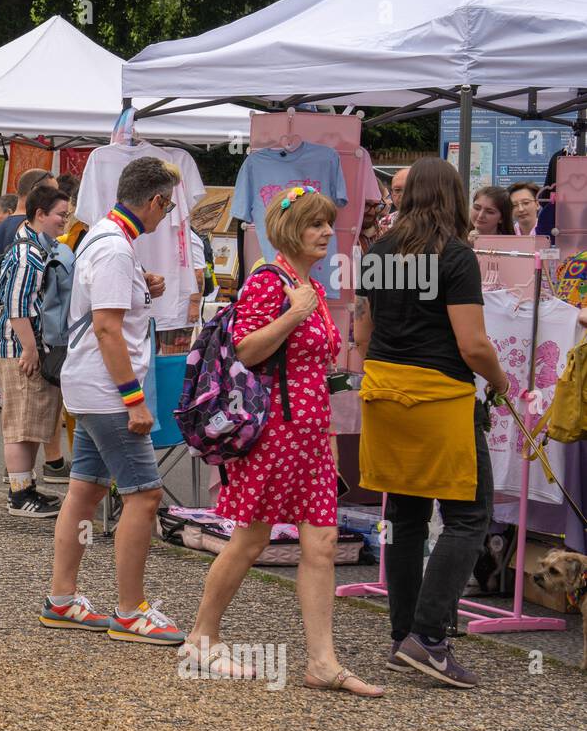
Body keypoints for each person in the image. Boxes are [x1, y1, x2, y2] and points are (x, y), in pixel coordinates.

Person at [183, 184, 385, 697]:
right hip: (274, 433)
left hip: (314, 434)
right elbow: (245, 351)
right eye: (315, 224)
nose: (326, 233)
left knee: (320, 543)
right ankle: (201, 637)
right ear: (291, 230)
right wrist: (294, 313)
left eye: (327, 224)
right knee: (250, 539)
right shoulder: (270, 282)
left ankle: (322, 661)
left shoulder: (306, 284)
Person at [354, 157, 510, 689]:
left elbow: (361, 335)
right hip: (440, 398)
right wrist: (502, 381)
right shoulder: (457, 255)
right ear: (453, 197)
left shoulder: (377, 252)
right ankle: (430, 636)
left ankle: (404, 635)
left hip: (385, 393)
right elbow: (472, 344)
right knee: (469, 516)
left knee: (404, 514)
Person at [45, 157, 186, 644]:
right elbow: (106, 327)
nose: (166, 216)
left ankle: (63, 598)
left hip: (91, 387)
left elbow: (103, 311)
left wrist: (141, 288)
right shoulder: (114, 248)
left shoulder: (106, 238)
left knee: (85, 489)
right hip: (107, 391)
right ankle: (130, 609)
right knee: (144, 495)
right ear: (155, 201)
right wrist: (133, 399)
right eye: (167, 208)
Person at [0, 183, 71, 517]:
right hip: (20, 347)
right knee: (20, 424)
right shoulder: (28, 254)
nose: (64, 222)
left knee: (27, 421)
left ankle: (25, 490)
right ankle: (20, 495)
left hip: (24, 346)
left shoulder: (33, 247)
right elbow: (17, 305)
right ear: (40, 214)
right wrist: (29, 348)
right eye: (60, 215)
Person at [0, 169, 58, 256]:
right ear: (36, 191)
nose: (56, 199)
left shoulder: (0, 227)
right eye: (53, 193)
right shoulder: (31, 226)